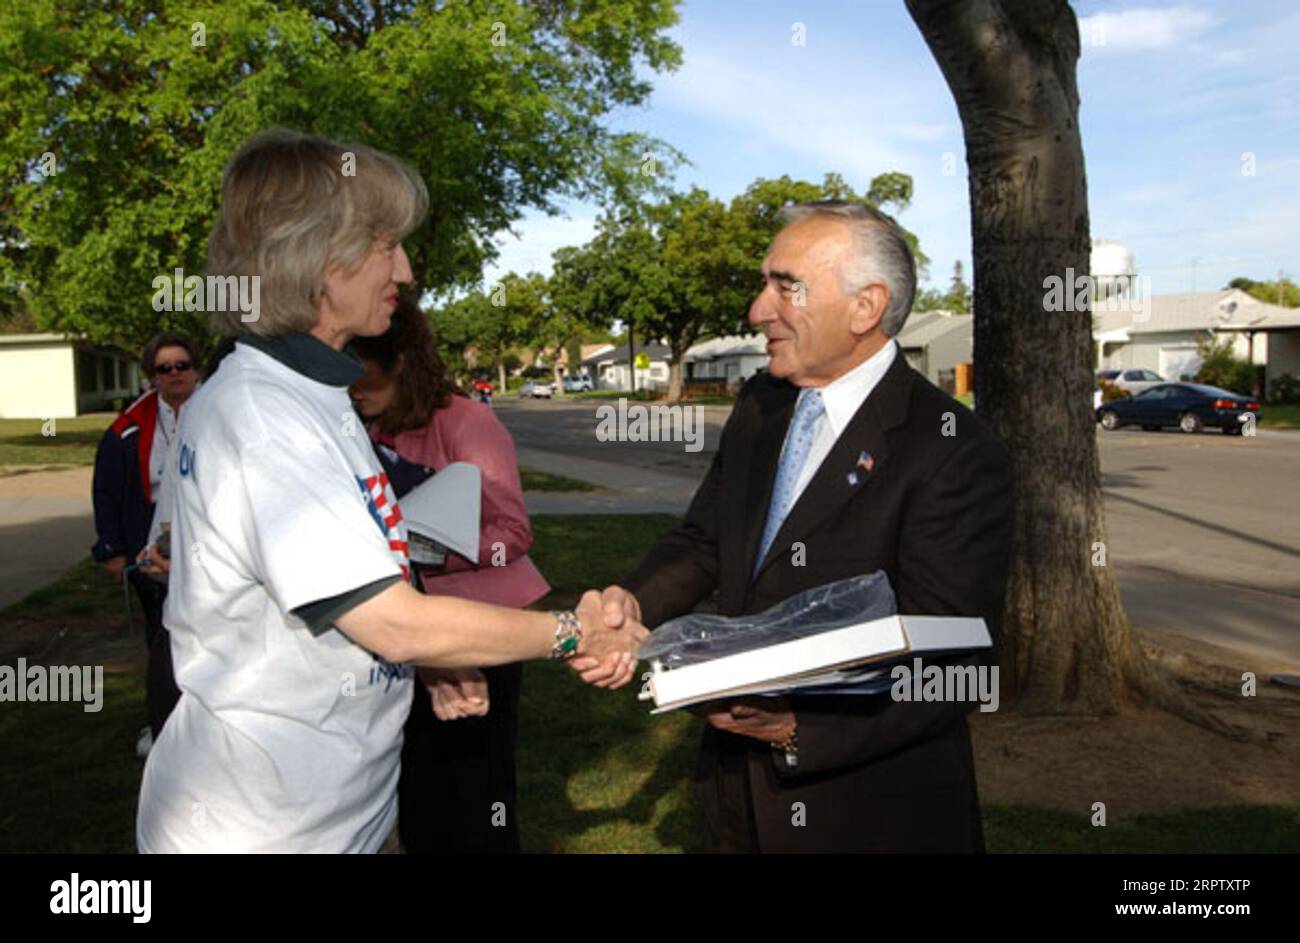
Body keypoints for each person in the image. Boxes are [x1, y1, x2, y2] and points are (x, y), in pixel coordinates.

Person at [135, 129, 643, 854]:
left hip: (334, 812)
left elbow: (349, 596)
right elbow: (391, 620)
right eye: (385, 244)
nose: (402, 269)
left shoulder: (313, 394)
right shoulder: (264, 414)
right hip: (263, 826)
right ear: (319, 256)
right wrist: (573, 631)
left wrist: (428, 659)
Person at [580, 201, 1014, 853]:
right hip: (735, 792)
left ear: (866, 306)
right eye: (765, 284)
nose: (758, 310)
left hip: (869, 810)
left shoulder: (953, 447)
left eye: (787, 286)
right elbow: (705, 541)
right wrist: (633, 599)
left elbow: (953, 657)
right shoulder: (762, 403)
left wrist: (794, 727)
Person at [350, 299, 549, 853]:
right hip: (403, 635)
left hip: (479, 632)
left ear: (403, 364)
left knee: (477, 796)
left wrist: (433, 549)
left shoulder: (466, 421)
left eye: (365, 382)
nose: (355, 395)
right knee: (418, 793)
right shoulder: (361, 428)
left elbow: (514, 534)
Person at [91, 330, 199, 745]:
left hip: (204, 539)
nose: (174, 375)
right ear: (152, 376)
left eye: (182, 365)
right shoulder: (128, 429)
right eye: (164, 368)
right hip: (149, 539)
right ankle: (164, 720)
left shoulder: (217, 411)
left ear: (195, 368)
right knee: (161, 632)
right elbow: (107, 491)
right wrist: (112, 550)